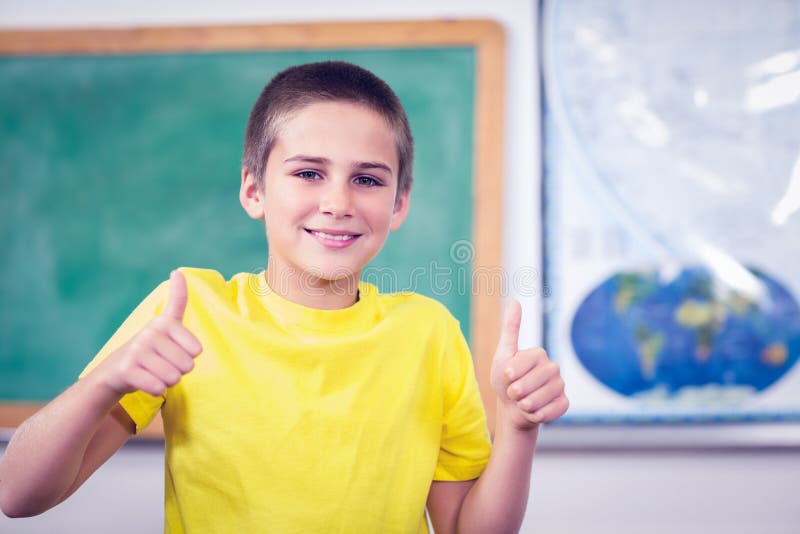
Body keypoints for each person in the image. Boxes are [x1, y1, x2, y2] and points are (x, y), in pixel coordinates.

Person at [0, 61, 568, 533]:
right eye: (308, 173)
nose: (338, 202)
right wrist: (106, 382)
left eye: (368, 179)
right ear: (254, 189)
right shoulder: (190, 310)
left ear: (399, 203)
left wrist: (517, 428)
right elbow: (19, 496)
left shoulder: (429, 332)